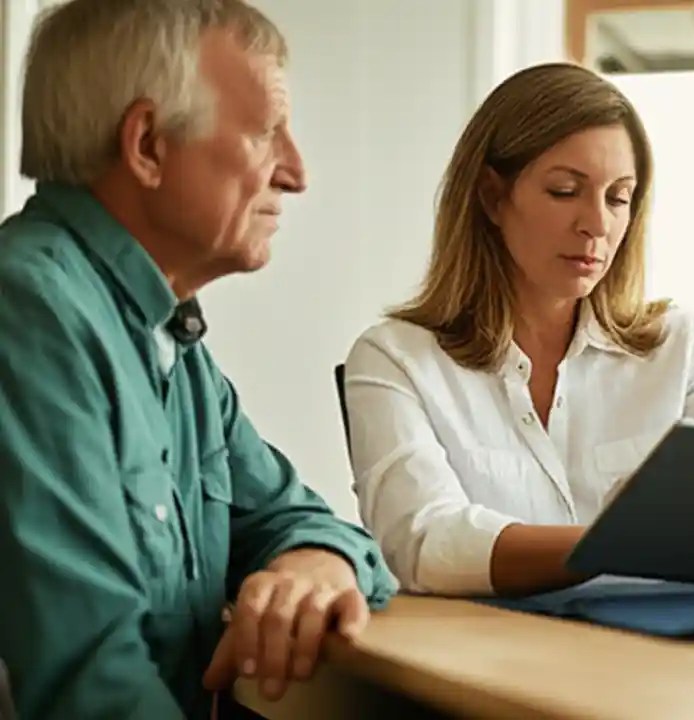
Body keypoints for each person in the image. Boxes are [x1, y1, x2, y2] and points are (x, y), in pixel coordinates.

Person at [0, 1, 398, 717]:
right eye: (267, 131)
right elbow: (89, 685)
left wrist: (316, 563)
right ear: (147, 145)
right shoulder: (28, 309)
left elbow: (297, 515)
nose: (297, 173)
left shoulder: (170, 342)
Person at [342, 62, 694, 597]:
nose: (597, 224)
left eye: (618, 197)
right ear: (492, 197)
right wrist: (623, 544)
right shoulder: (392, 358)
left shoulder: (688, 349)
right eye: (565, 191)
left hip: (660, 662)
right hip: (480, 664)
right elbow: (423, 543)